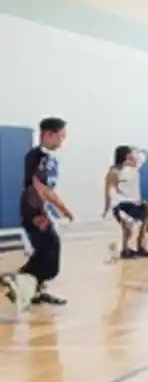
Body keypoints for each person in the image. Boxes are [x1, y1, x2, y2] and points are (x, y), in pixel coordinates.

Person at [16, 118, 73, 306]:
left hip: (41, 211)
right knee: (50, 248)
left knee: (46, 249)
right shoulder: (37, 157)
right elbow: (42, 189)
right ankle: (19, 277)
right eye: (60, 136)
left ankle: (35, 290)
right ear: (49, 134)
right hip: (34, 211)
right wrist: (63, 209)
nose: (62, 141)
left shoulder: (49, 159)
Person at [103, 145, 148, 259]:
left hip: (129, 202)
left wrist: (137, 150)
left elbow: (145, 155)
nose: (134, 156)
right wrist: (107, 207)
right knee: (128, 227)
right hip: (120, 204)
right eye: (131, 154)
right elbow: (108, 190)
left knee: (144, 213)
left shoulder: (131, 168)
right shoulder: (115, 172)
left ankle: (136, 246)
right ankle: (129, 248)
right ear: (126, 156)